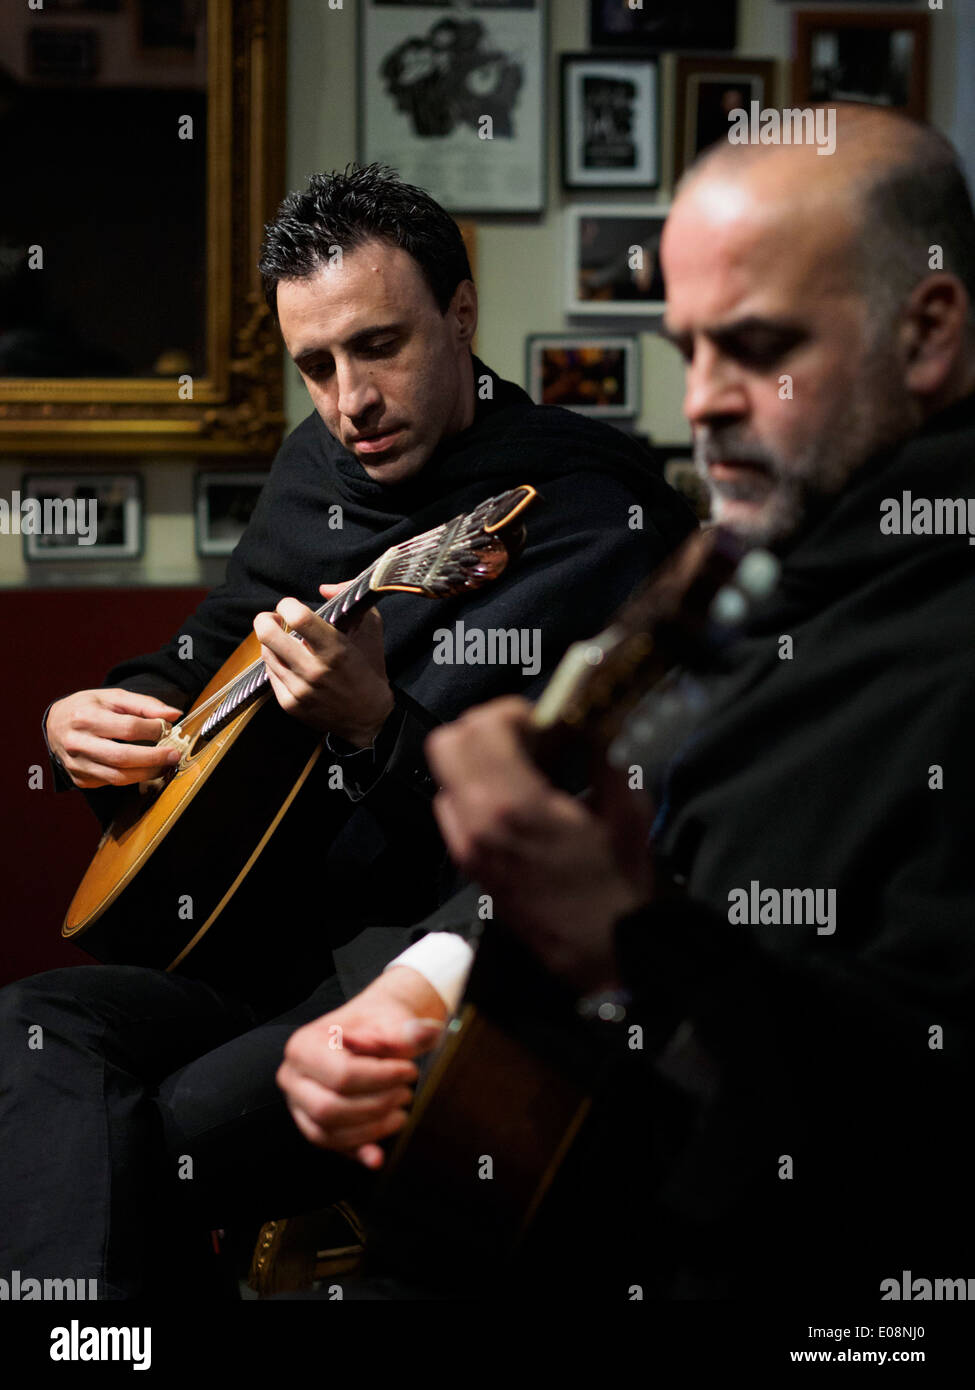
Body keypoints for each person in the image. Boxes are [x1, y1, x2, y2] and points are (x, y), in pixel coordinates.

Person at [277, 110, 975, 1299]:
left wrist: (624, 940)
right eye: (688, 348)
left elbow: (909, 1118)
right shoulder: (731, 572)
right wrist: (430, 971)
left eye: (755, 348)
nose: (700, 401)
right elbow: (607, 837)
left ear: (926, 330)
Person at [0, 164, 693, 1299]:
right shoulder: (315, 468)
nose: (348, 400)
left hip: (428, 960)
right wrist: (88, 713)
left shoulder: (596, 519)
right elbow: (204, 650)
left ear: (461, 317)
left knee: (146, 1139)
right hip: (256, 950)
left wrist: (379, 727)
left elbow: (579, 849)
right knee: (38, 1031)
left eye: (380, 346)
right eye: (314, 365)